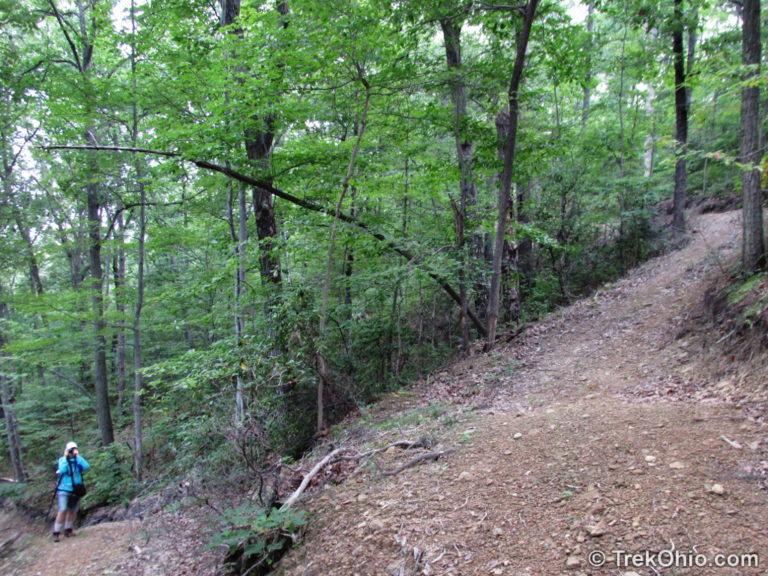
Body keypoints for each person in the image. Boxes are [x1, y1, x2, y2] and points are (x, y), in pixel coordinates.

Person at [52, 441, 90, 542]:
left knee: (72, 510)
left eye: (75, 449)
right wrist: (65, 457)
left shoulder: (78, 460)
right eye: (72, 449)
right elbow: (63, 470)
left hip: (75, 490)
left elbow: (86, 466)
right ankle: (56, 532)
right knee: (62, 510)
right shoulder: (62, 460)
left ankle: (68, 529)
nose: (74, 451)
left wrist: (77, 457)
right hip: (64, 490)